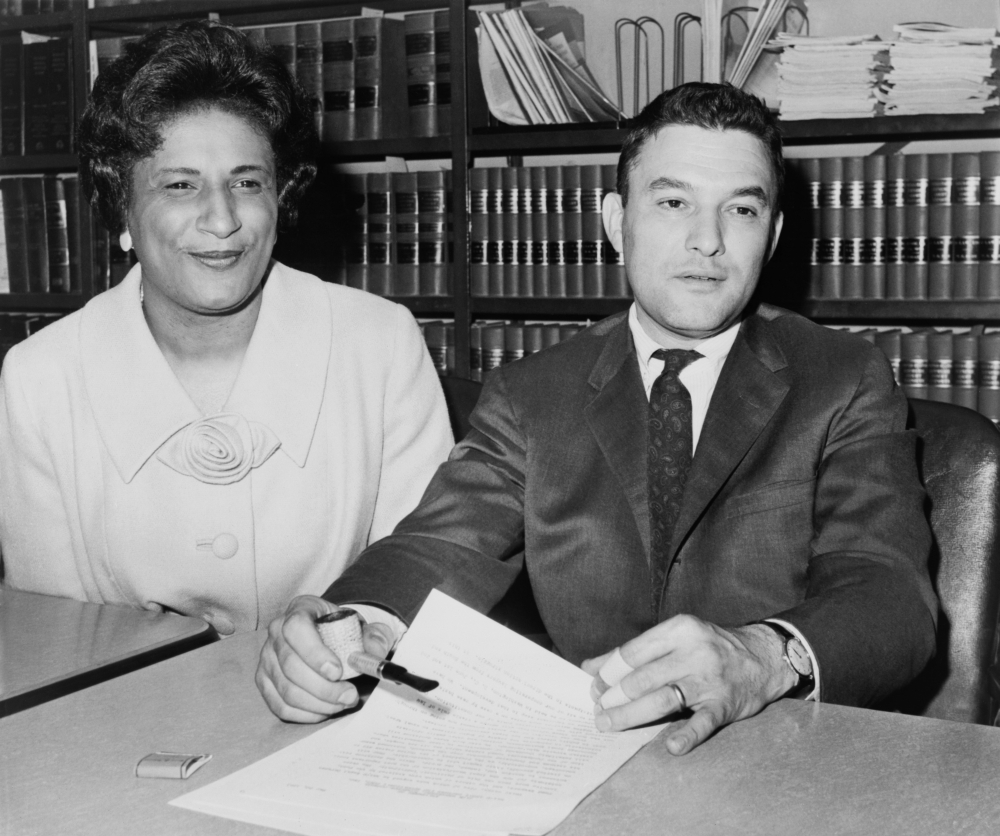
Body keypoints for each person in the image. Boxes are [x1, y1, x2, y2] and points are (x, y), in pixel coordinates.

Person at [255, 83, 937, 754]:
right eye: (673, 202)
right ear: (616, 222)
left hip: (778, 757)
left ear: (775, 233)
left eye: (742, 210)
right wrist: (349, 626)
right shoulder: (531, 393)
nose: (708, 241)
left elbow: (889, 593)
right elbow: (440, 545)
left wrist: (764, 654)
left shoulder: (842, 378)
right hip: (582, 757)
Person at [0, 21, 453, 636]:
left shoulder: (379, 345)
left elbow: (422, 596)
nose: (222, 219)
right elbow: (54, 633)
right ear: (120, 211)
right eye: (180, 186)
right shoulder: (39, 378)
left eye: (247, 182)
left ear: (280, 198)